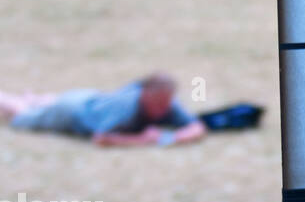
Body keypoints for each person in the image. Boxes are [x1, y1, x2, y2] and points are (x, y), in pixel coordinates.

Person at [0, 73, 206, 147]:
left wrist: (170, 138)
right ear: (145, 96)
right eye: (158, 105)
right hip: (71, 111)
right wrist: (141, 140)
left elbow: (197, 127)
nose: (164, 111)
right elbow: (101, 138)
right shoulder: (127, 109)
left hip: (91, 97)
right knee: (20, 115)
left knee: (45, 103)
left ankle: (34, 98)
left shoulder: (165, 100)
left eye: (166, 104)